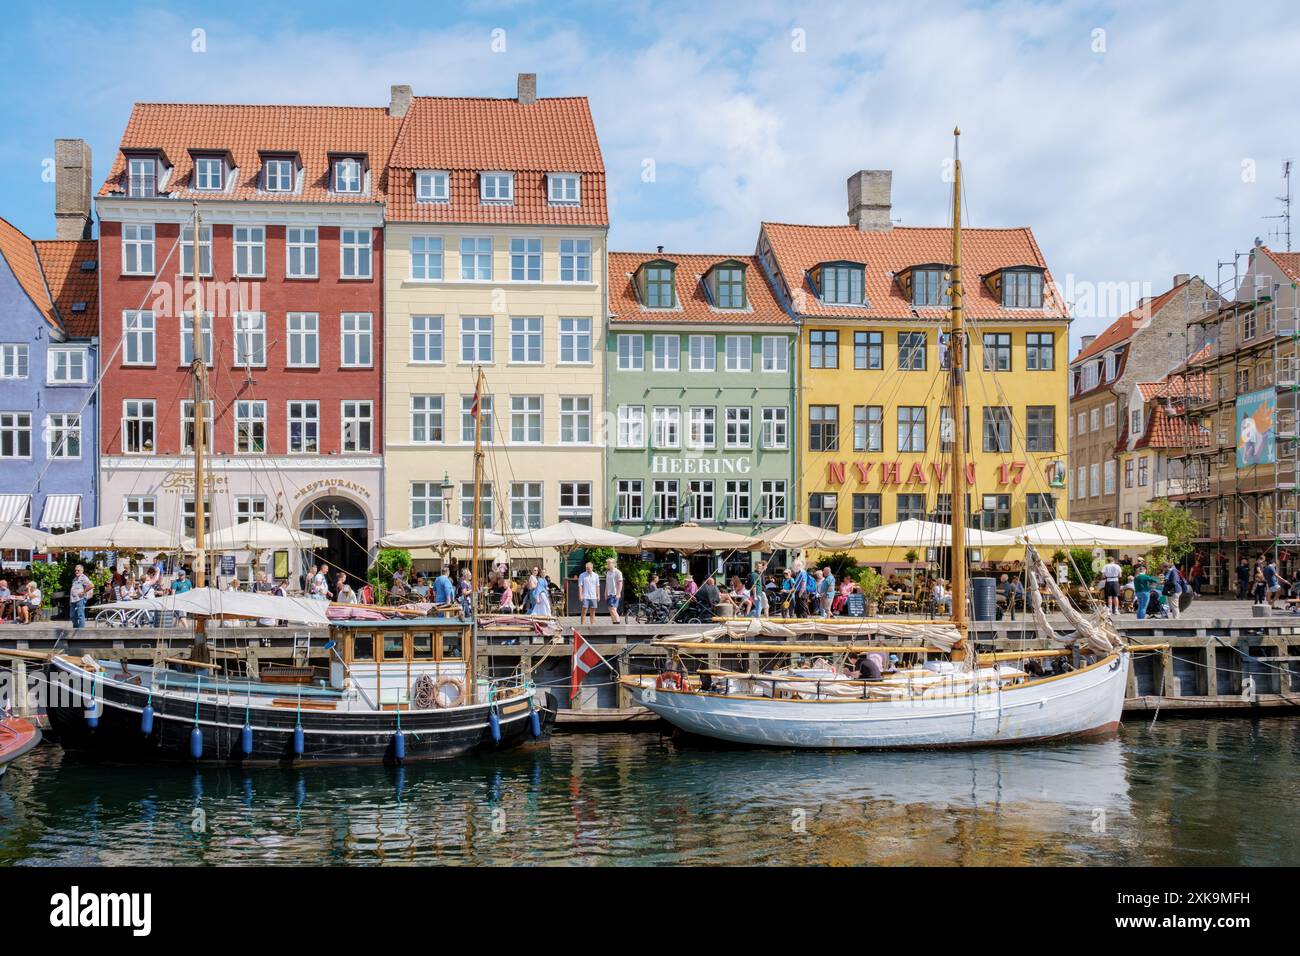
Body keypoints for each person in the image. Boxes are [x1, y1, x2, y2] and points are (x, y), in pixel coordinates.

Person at [68, 563, 93, 629]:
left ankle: (81, 630)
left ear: (82, 570)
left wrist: (83, 592)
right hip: (73, 599)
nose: (76, 572)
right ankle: (76, 627)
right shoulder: (75, 578)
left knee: (80, 615)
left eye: (78, 570)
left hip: (80, 599)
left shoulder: (83, 577)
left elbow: (91, 585)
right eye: (75, 570)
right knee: (72, 615)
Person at [578, 561, 601, 626]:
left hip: (593, 596)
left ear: (592, 568)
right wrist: (580, 595)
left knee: (593, 612)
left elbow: (597, 586)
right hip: (585, 596)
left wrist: (598, 595)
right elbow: (580, 586)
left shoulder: (596, 575)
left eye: (589, 568)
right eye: (586, 568)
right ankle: (582, 625)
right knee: (584, 611)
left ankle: (592, 625)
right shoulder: (582, 575)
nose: (587, 569)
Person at [605, 558, 624, 624]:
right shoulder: (608, 572)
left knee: (613, 609)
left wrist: (618, 593)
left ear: (613, 564)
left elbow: (620, 584)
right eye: (607, 563)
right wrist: (605, 593)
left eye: (609, 563)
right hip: (609, 594)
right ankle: (614, 624)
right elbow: (607, 584)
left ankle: (618, 623)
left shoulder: (618, 572)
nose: (608, 564)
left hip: (614, 593)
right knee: (611, 610)